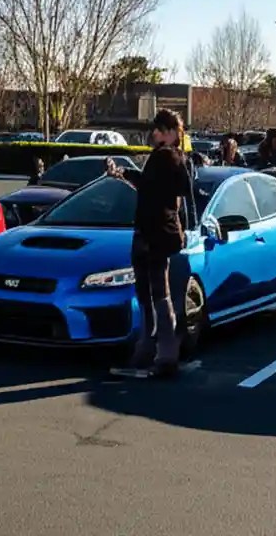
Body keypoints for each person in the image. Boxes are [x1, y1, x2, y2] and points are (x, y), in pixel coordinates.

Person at [106, 108, 192, 379]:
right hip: (160, 234)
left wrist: (128, 177)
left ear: (168, 132)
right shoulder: (177, 159)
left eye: (158, 129)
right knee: (155, 294)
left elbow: (152, 189)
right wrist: (126, 175)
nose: (153, 134)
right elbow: (177, 191)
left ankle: (159, 354)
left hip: (152, 234)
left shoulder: (164, 157)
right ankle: (155, 352)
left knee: (154, 294)